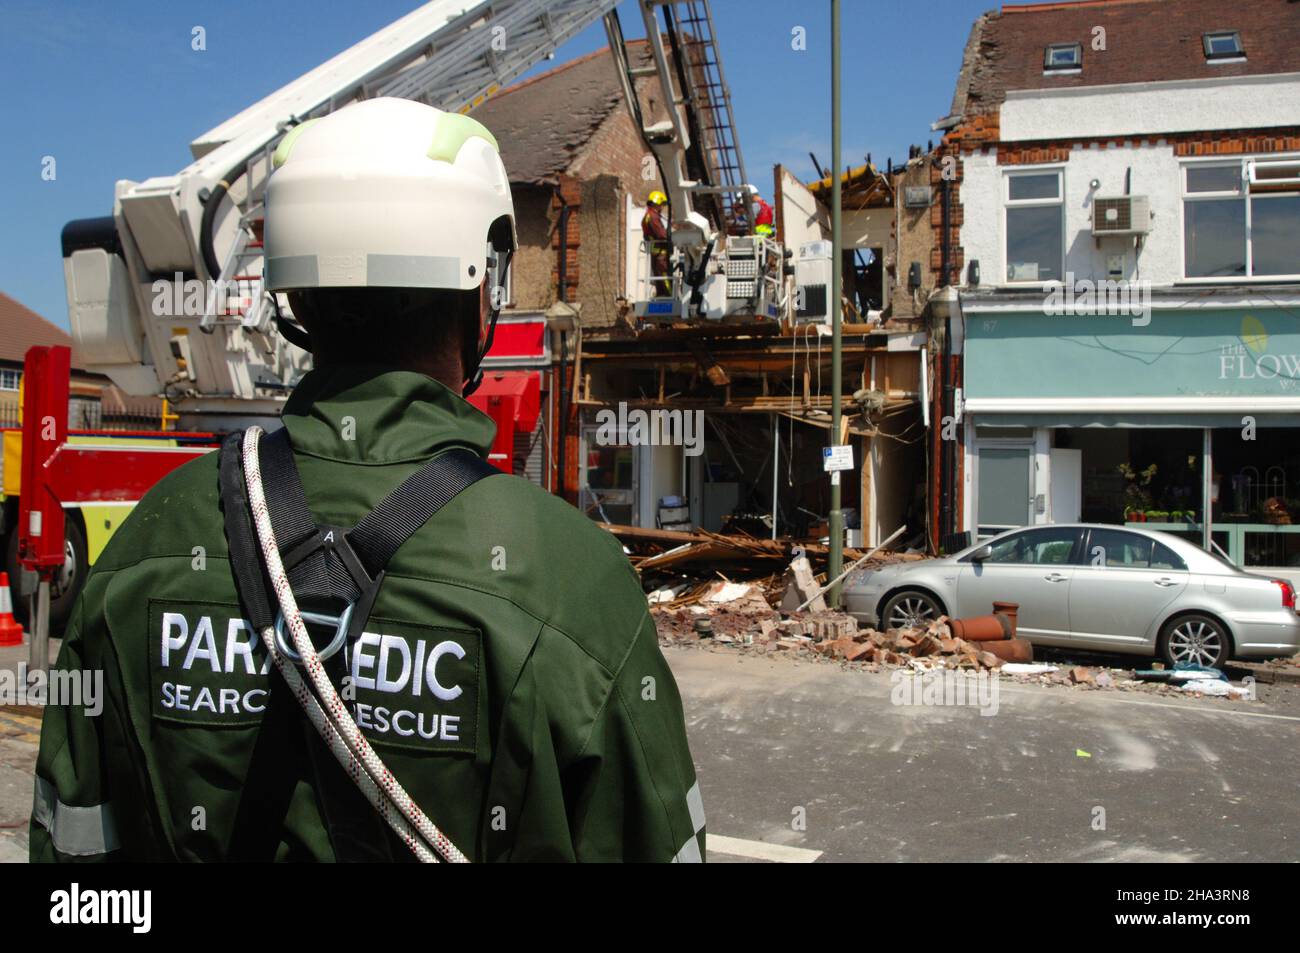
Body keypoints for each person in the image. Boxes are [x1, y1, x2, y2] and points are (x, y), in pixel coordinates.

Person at [30, 98, 704, 863]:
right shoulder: (572, 583)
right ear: (481, 290)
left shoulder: (148, 547)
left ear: (294, 297)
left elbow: (74, 862)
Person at [641, 190, 672, 296]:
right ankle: (669, 294)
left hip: (655, 251)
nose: (662, 207)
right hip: (660, 251)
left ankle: (661, 294)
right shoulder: (653, 216)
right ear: (657, 203)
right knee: (663, 273)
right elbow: (661, 234)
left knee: (658, 272)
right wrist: (672, 237)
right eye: (661, 204)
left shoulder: (649, 215)